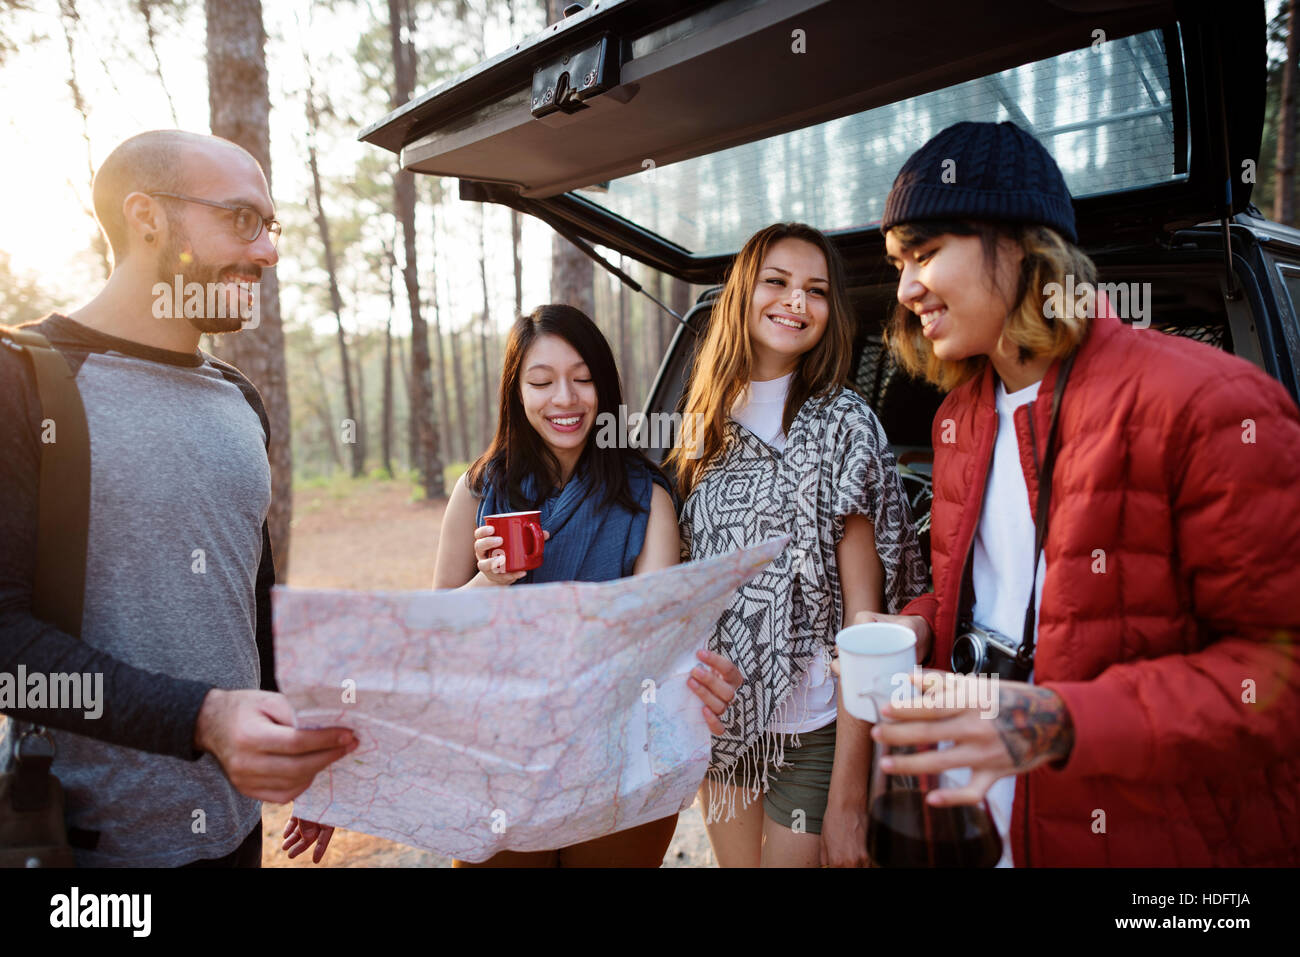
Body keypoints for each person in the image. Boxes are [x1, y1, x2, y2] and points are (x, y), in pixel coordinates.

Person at [863, 119, 1300, 866]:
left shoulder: (1207, 403)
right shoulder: (959, 418)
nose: (904, 290)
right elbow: (983, 592)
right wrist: (915, 626)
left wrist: (1060, 719)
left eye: (925, 254)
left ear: (1024, 246)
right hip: (982, 824)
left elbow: (1279, 675)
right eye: (899, 263)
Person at [0, 130, 357, 867]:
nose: (268, 251)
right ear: (148, 217)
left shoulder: (238, 399)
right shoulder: (20, 380)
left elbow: (249, 604)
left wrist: (301, 746)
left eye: (271, 226)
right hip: (91, 853)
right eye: (242, 219)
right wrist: (201, 718)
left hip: (235, 832)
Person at [419, 303, 743, 867]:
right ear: (516, 393)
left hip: (618, 758)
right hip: (504, 761)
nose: (564, 399)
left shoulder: (647, 496)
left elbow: (658, 639)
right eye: (541, 382)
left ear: (606, 388)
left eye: (582, 379)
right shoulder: (478, 491)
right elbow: (437, 638)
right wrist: (491, 583)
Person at [669, 223, 928, 867]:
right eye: (777, 283)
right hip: (725, 725)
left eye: (815, 291)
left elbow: (863, 628)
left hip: (818, 728)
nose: (795, 302)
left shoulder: (845, 423)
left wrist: (850, 799)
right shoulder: (705, 427)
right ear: (742, 294)